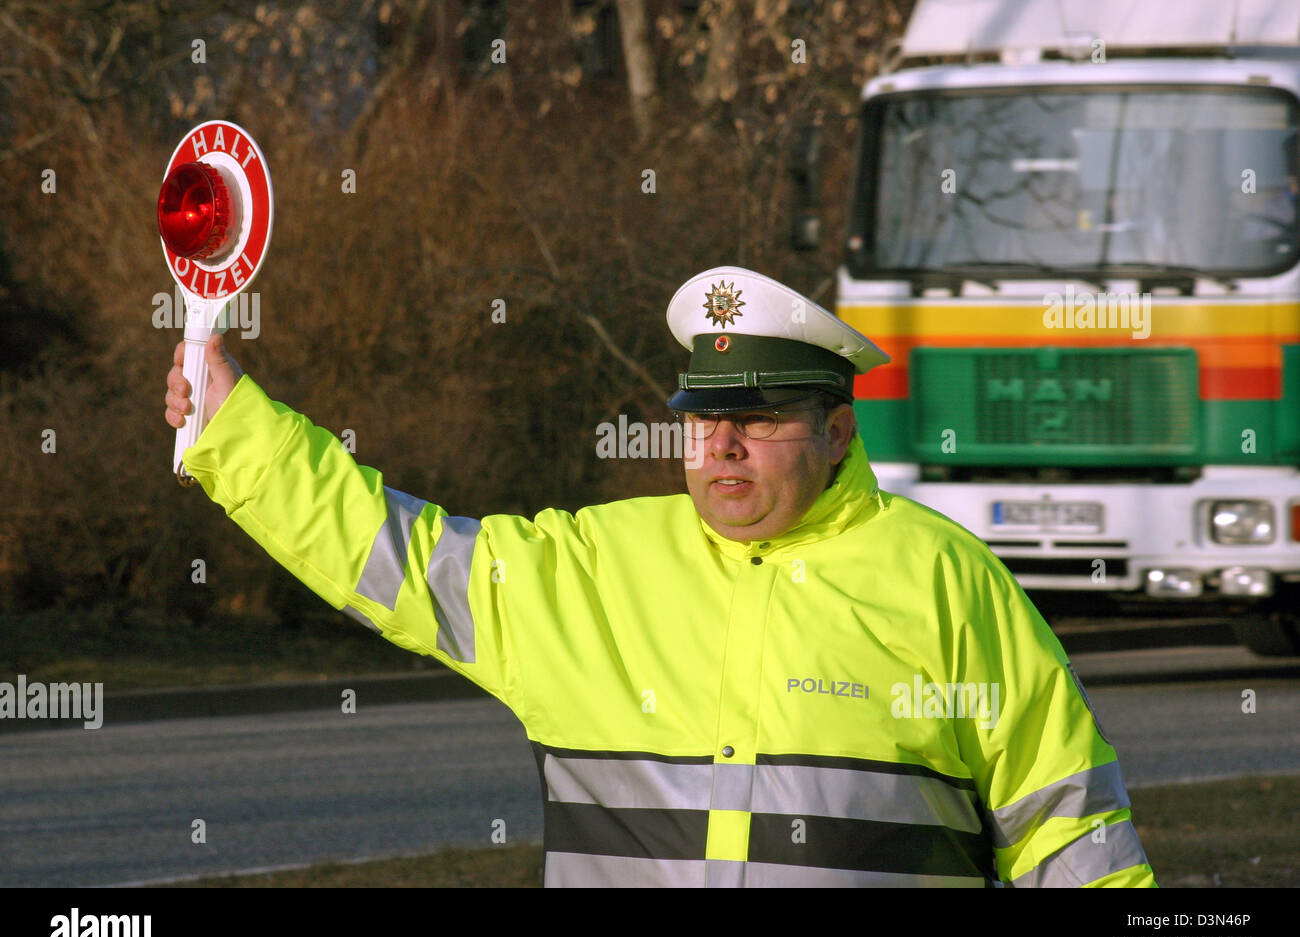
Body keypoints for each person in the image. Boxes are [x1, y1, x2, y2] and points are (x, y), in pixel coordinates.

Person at [164, 265, 1156, 888]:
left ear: (837, 430)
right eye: (702, 418)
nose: (722, 446)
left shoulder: (947, 581)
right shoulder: (593, 568)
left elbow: (1066, 830)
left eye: (759, 420)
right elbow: (388, 552)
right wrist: (234, 423)